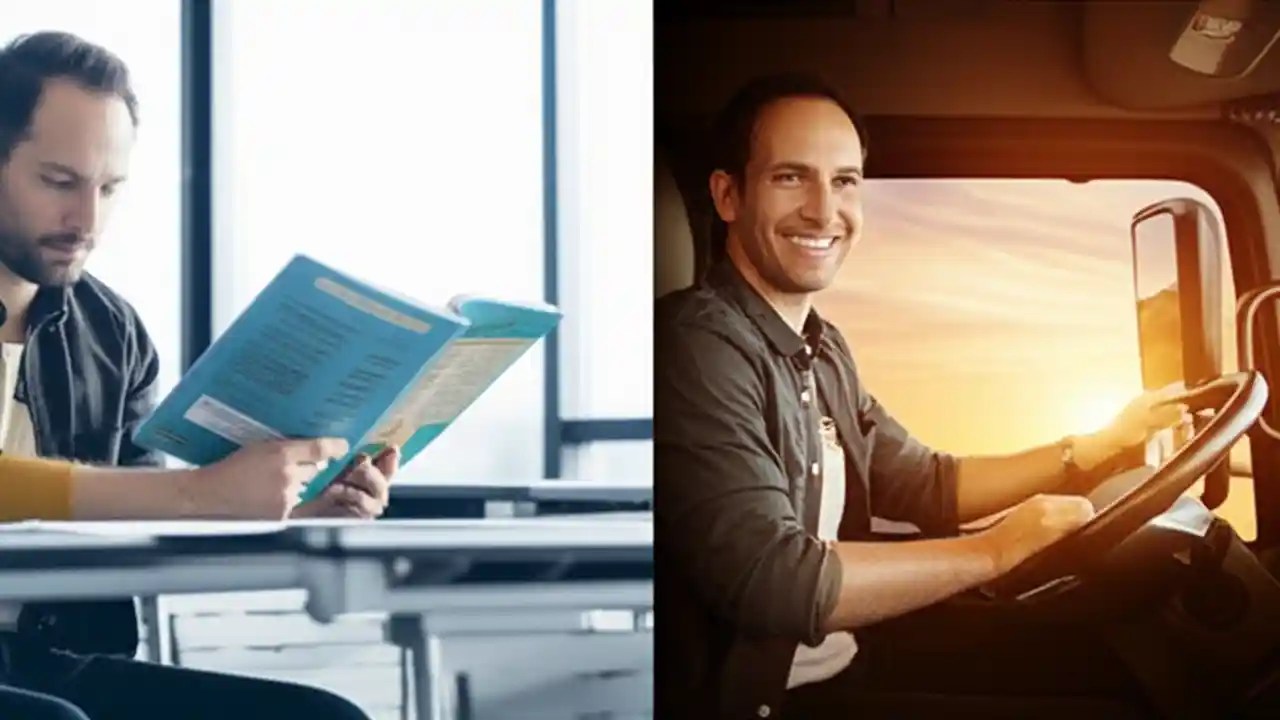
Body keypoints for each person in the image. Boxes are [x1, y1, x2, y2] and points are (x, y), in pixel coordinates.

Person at [654, 73, 1188, 719]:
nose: (825, 211)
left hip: (847, 672)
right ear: (728, 195)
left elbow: (926, 484)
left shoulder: (822, 349)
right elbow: (772, 581)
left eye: (845, 180)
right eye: (791, 177)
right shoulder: (696, 348)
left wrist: (1091, 449)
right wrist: (996, 550)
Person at [0, 30, 394, 719]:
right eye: (58, 182)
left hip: (41, 659)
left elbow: (140, 518)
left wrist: (280, 512)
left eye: (109, 188)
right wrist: (197, 492)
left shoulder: (110, 335)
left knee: (325, 719)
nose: (87, 220)